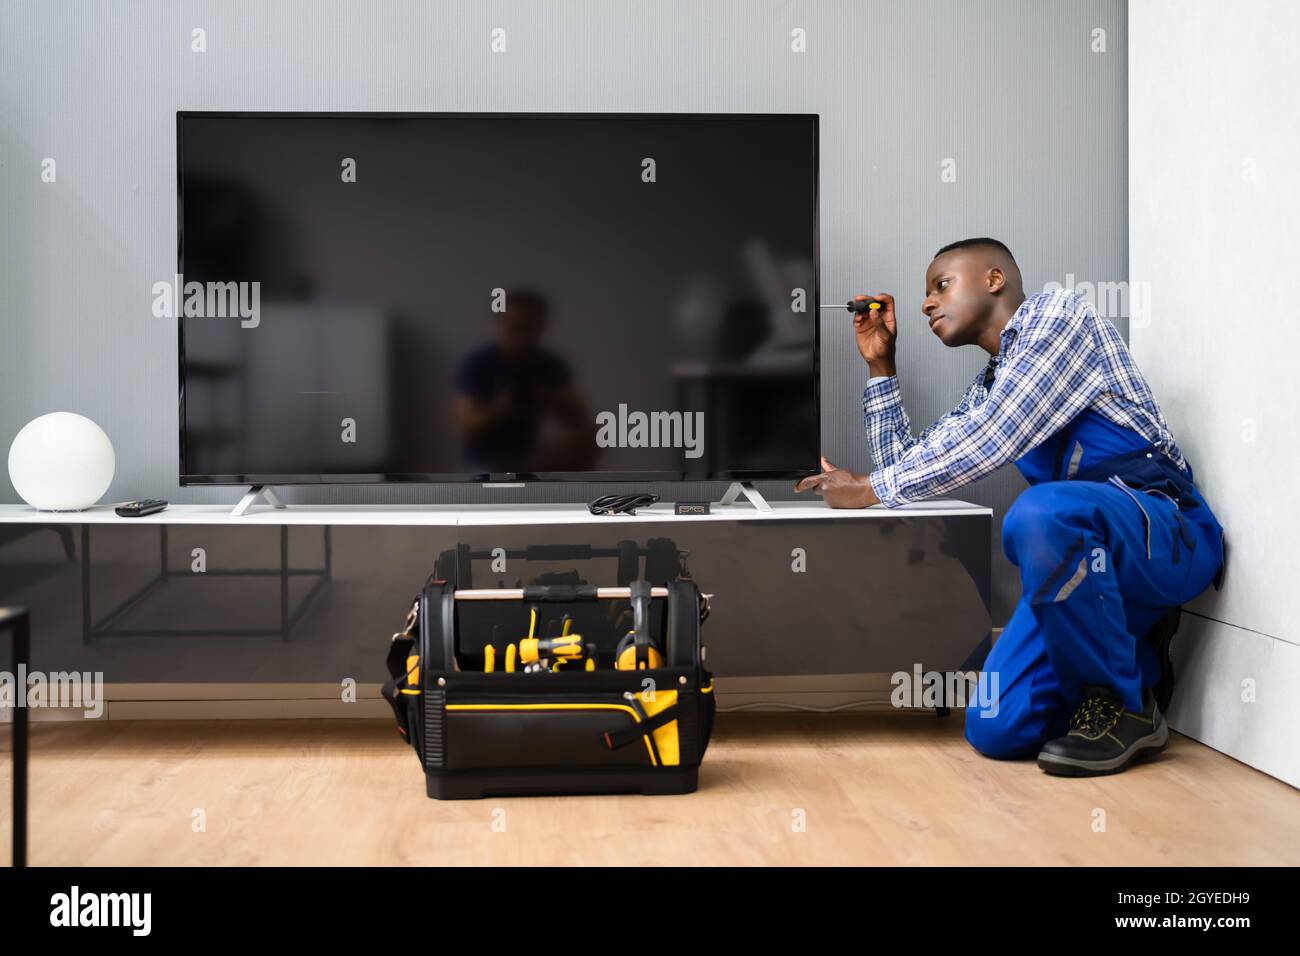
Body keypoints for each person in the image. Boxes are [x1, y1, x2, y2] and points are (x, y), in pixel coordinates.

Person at [795, 238, 1225, 776]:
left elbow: (995, 435)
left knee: (1040, 513)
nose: (927, 304)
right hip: (1089, 568)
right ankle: (1131, 653)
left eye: (940, 286)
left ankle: (1127, 705)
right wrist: (881, 367)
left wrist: (870, 488)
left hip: (1165, 536)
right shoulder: (993, 384)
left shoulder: (1060, 318)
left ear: (993, 279)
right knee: (995, 726)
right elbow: (910, 469)